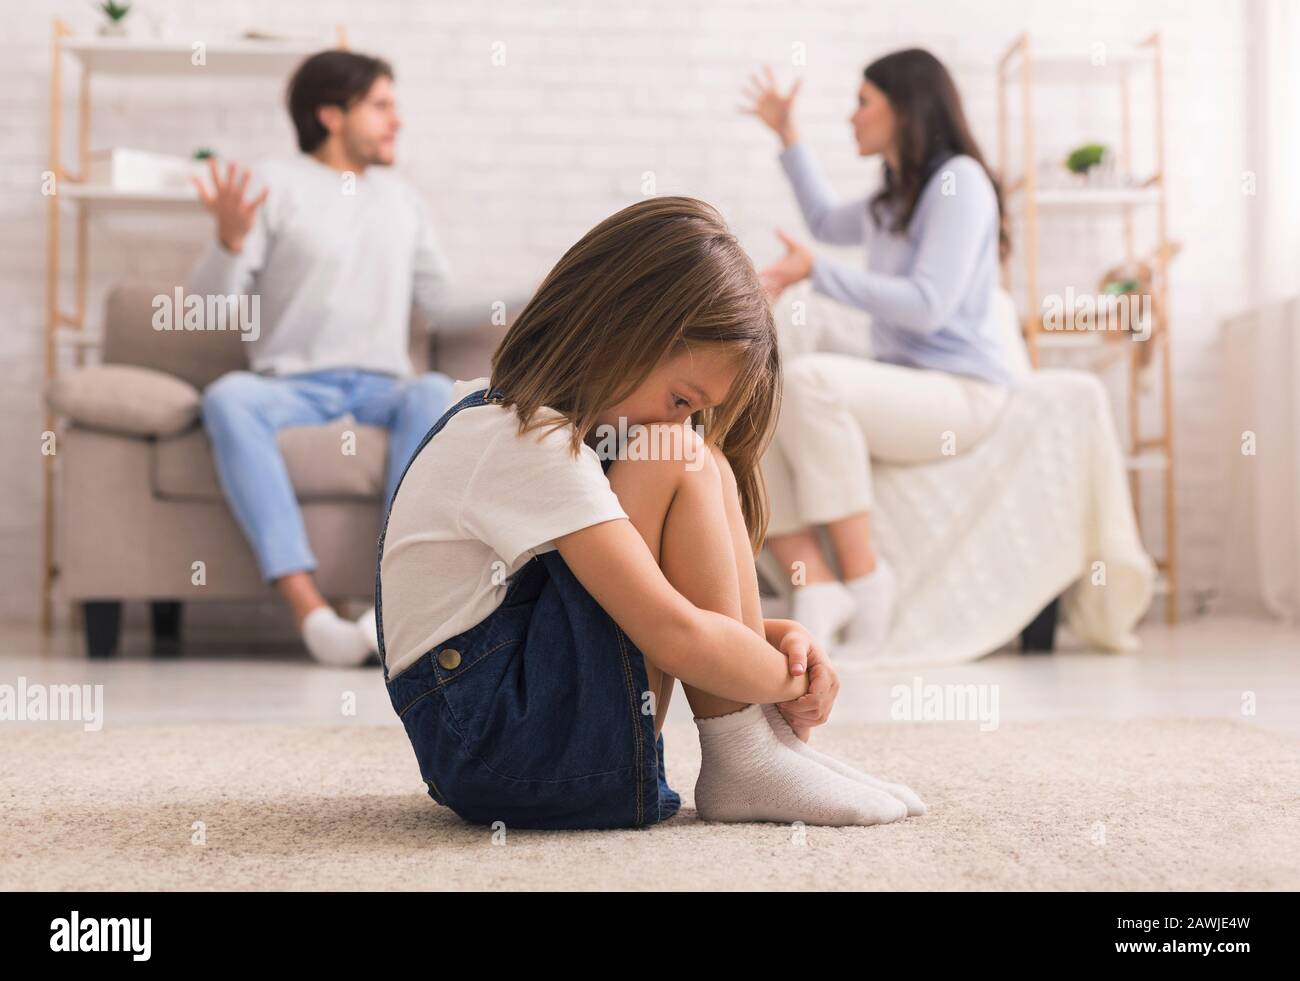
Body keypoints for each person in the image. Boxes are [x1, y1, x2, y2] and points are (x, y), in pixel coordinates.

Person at [377, 197, 928, 829]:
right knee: (681, 456)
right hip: (500, 743)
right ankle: (745, 752)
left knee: (705, 460)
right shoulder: (523, 439)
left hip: (503, 735)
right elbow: (676, 634)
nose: (677, 421)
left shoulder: (531, 429)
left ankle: (764, 747)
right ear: (618, 328)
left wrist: (779, 643)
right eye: (678, 397)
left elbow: (664, 601)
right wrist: (785, 681)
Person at [187, 50, 459, 666]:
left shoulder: (402, 201)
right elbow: (208, 307)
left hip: (382, 386)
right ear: (331, 114)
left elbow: (444, 301)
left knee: (433, 389)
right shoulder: (272, 184)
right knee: (227, 397)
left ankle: (385, 607)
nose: (398, 120)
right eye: (382, 106)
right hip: (292, 384)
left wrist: (551, 286)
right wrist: (228, 243)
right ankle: (311, 613)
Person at [742, 50, 1015, 654]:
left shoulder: (959, 182)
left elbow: (926, 305)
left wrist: (818, 274)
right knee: (750, 394)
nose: (852, 117)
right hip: (908, 381)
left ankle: (867, 582)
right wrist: (787, 132)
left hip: (962, 390)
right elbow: (822, 219)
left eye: (863, 102)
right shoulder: (896, 198)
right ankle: (814, 583)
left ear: (906, 108)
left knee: (812, 381)